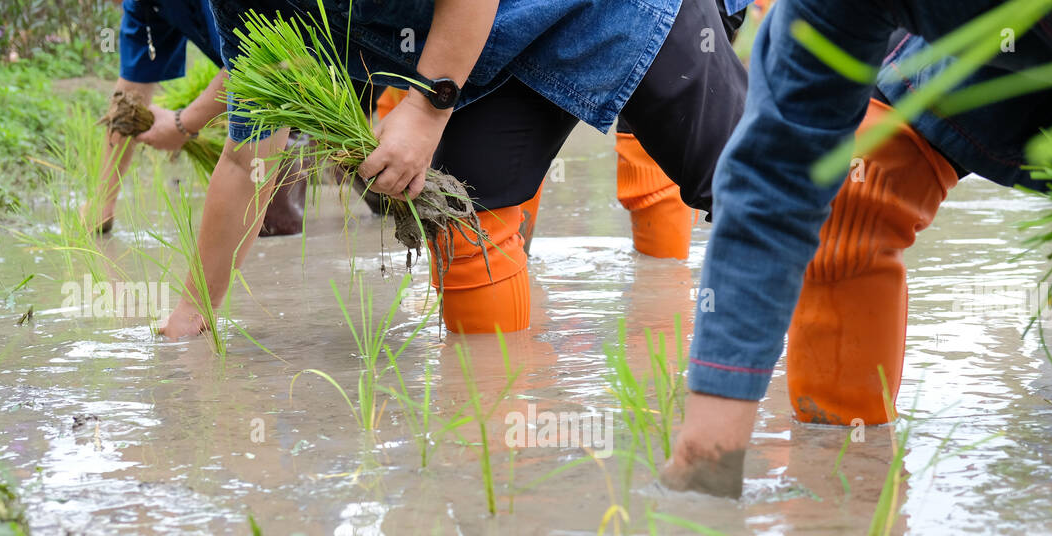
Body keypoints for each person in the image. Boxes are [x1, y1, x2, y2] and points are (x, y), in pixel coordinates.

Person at [662, 0, 1052, 497]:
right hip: (981, 62)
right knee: (854, 199)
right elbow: (776, 180)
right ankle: (845, 502)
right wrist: (705, 455)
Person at [157, 0, 751, 339]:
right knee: (468, 228)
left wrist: (425, 104)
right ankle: (496, 466)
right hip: (492, 52)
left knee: (750, 193)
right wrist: (193, 311)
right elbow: (246, 160)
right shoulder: (243, 7)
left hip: (612, 10)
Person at [86, 0, 305, 238]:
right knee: (264, 221)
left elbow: (263, 59)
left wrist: (182, 124)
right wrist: (102, 201)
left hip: (324, 76)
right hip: (271, 95)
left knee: (342, 164)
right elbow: (128, 100)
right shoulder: (144, 6)